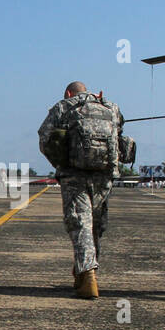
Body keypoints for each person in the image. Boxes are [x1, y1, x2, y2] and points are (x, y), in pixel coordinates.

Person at [38, 82, 125, 299]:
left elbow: (45, 139)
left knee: (80, 223)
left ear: (69, 93)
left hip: (74, 174)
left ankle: (87, 275)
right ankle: (83, 271)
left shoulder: (63, 107)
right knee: (96, 224)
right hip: (105, 175)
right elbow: (120, 133)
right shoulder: (110, 106)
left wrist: (60, 163)